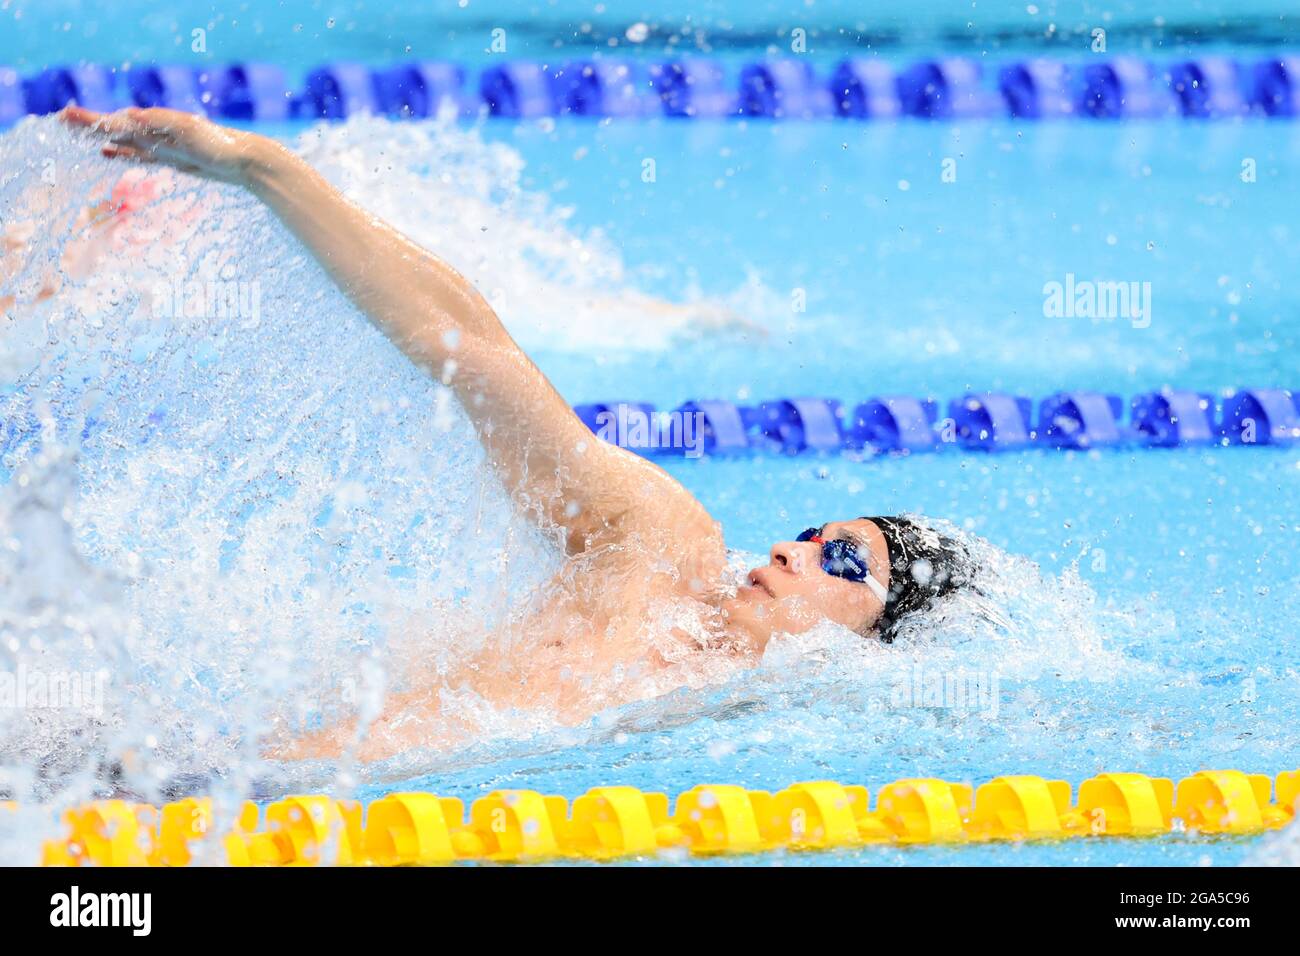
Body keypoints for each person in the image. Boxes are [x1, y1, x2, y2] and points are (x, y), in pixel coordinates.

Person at [60, 106, 976, 761]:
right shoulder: (658, 557)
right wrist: (264, 169)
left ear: (876, 646)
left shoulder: (769, 733)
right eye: (815, 535)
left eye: (842, 564)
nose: (791, 549)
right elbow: (473, 351)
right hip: (181, 785)